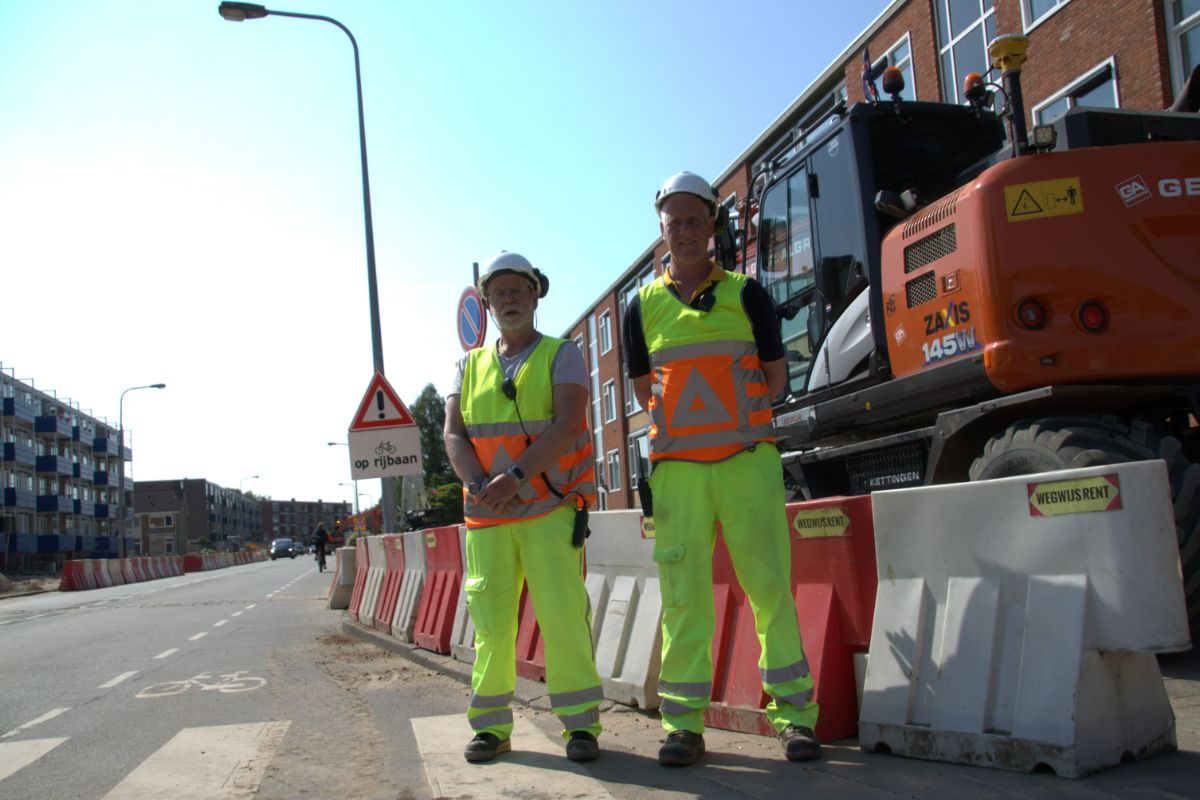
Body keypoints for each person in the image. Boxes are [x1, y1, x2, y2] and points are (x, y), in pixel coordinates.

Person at [621, 172, 821, 766]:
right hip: (679, 475)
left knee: (770, 590)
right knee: (684, 599)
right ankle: (683, 725)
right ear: (661, 231)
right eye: (673, 223)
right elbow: (642, 391)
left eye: (693, 220)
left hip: (746, 464)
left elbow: (777, 377)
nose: (683, 231)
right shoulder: (641, 308)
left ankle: (795, 718)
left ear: (711, 225)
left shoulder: (747, 294)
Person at [444, 251, 603, 764]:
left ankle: (581, 726)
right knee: (491, 626)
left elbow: (568, 424)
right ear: (487, 305)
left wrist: (512, 479)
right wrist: (478, 484)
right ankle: (491, 727)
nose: (509, 299)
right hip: (488, 518)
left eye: (518, 290)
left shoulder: (562, 354)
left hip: (548, 510)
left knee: (563, 619)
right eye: (499, 293)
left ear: (536, 296)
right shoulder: (467, 366)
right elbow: (453, 433)